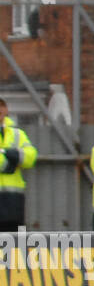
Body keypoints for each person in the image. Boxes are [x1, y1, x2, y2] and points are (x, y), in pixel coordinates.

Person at [0, 99, 37, 233]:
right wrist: (13, 159)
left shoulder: (17, 134)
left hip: (14, 204)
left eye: (1, 106)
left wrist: (12, 155)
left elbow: (31, 157)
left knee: (15, 247)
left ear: (6, 110)